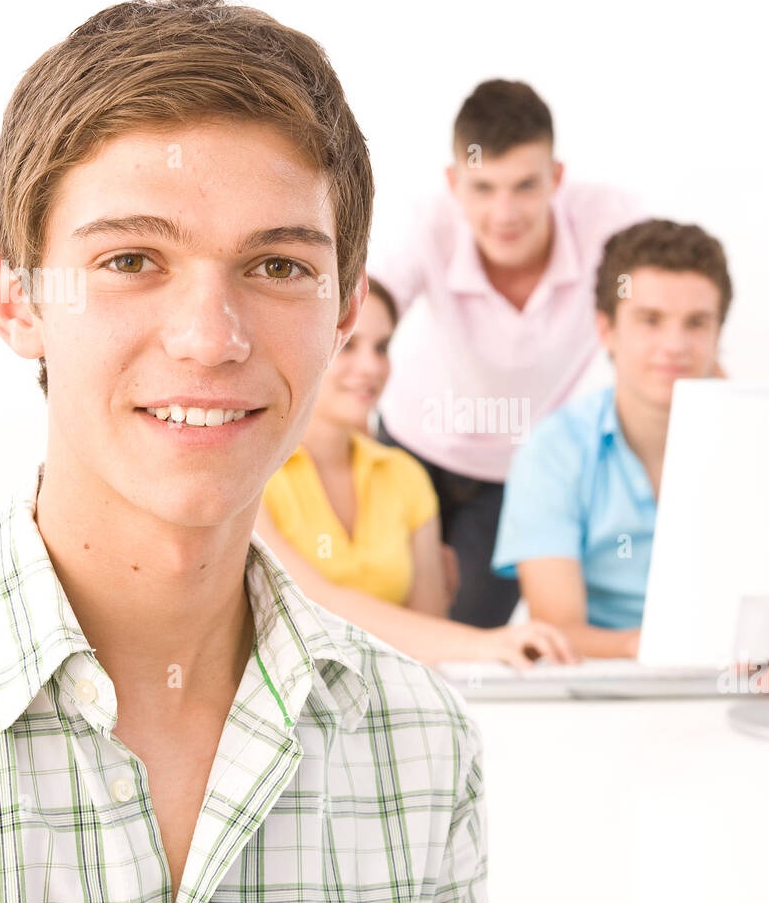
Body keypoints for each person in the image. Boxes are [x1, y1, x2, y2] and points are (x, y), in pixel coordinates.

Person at [0, 0, 496, 903]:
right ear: (15, 300)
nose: (210, 337)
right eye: (132, 259)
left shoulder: (420, 743)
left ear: (345, 308)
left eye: (277, 266)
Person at [369, 79, 649, 627]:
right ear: (454, 182)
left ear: (557, 178)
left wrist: (714, 402)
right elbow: (365, 311)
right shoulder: (426, 224)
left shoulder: (609, 221)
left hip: (512, 473)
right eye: (483, 187)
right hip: (408, 448)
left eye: (525, 185)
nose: (505, 212)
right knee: (389, 623)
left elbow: (666, 304)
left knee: (471, 637)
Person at [256, 275, 575, 668]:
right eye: (348, 345)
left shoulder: (403, 476)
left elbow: (428, 633)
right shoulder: (254, 469)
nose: (370, 367)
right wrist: (484, 644)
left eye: (382, 347)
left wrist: (478, 645)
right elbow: (313, 603)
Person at [491, 218, 733, 657]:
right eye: (650, 320)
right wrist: (664, 648)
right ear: (607, 331)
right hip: (605, 682)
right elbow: (557, 631)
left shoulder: (756, 440)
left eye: (697, 323)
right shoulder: (554, 451)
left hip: (739, 674)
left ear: (718, 334)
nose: (675, 345)